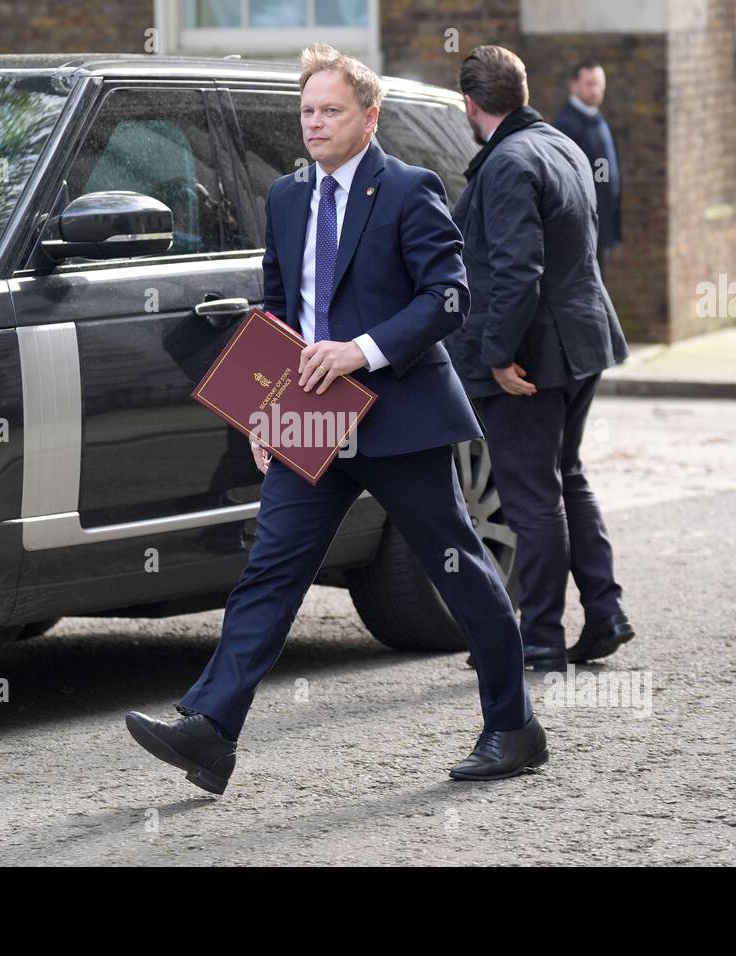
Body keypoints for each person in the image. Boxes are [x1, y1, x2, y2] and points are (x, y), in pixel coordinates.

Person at [124, 43, 547, 796]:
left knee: (457, 567)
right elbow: (279, 310)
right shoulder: (287, 197)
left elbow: (449, 298)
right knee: (271, 570)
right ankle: (212, 732)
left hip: (399, 416)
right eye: (307, 111)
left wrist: (361, 350)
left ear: (368, 116)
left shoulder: (411, 189)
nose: (314, 124)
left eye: (330, 111)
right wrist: (263, 409)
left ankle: (513, 727)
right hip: (307, 417)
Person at [447, 45, 635, 673]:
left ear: (471, 105)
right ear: (521, 91)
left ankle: (542, 638)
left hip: (533, 357)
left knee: (531, 495)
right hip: (583, 342)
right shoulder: (562, 144)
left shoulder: (507, 164)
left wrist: (498, 357)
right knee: (567, 477)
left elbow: (516, 271)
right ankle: (605, 612)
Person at [553, 60, 622, 277]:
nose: (595, 90)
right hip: (583, 226)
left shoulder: (598, 120)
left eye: (599, 84)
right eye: (589, 83)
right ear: (573, 86)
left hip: (601, 220)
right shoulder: (566, 125)